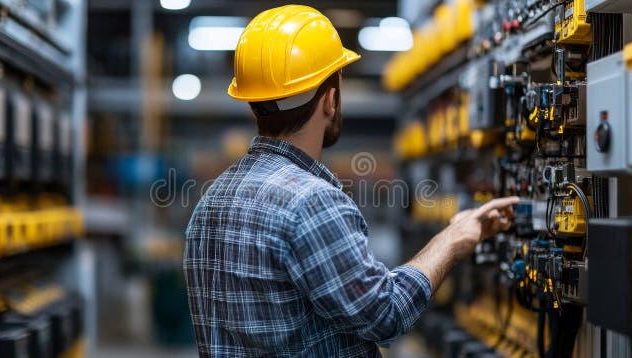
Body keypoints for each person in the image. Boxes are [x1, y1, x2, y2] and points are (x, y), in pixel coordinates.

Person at [184, 5, 519, 357]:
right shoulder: (311, 203)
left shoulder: (209, 204)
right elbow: (384, 315)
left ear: (254, 105)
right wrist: (454, 239)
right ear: (330, 100)